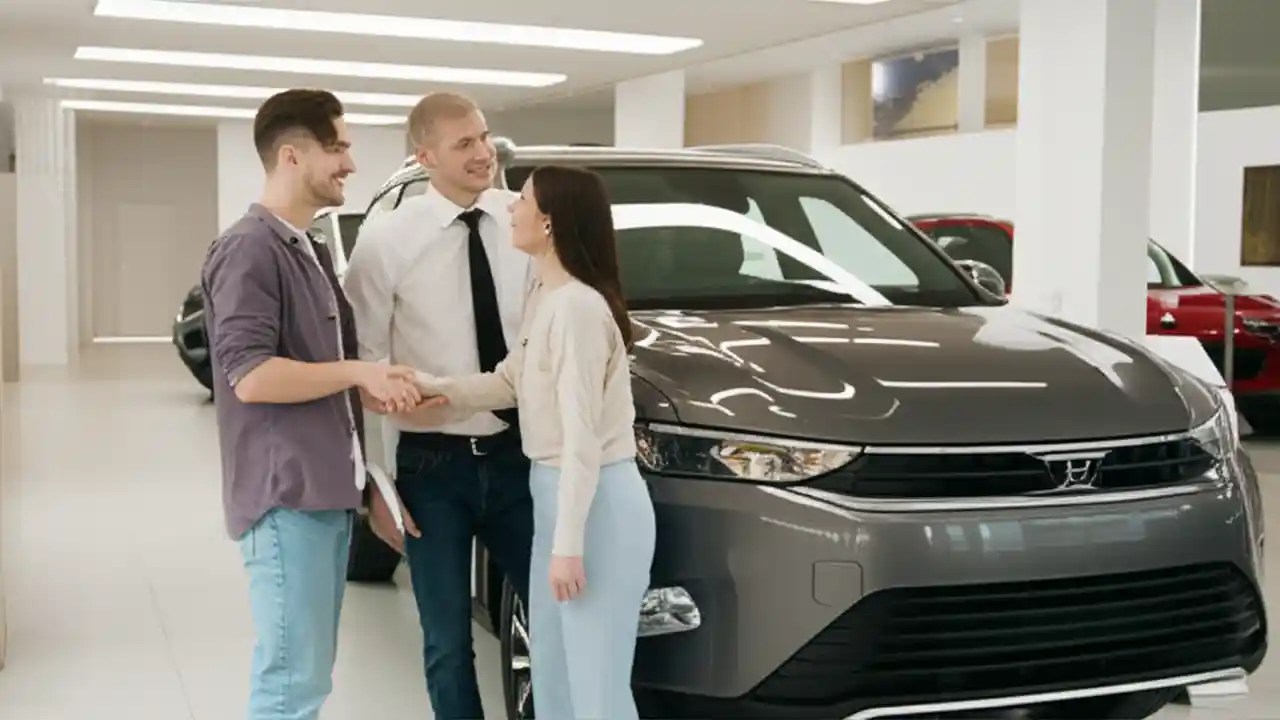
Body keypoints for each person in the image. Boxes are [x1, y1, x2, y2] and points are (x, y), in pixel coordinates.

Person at [201, 88, 427, 720]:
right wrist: (360, 371)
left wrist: (365, 482)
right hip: (284, 502)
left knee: (306, 678)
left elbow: (324, 391)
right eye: (339, 147)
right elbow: (250, 375)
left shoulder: (307, 247)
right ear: (293, 156)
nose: (350, 163)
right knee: (290, 685)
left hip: (323, 497)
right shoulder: (250, 248)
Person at [410, 164, 657, 720]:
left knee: (596, 685)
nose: (509, 209)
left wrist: (567, 545)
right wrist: (435, 390)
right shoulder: (548, 295)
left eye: (519, 200)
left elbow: (581, 440)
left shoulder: (577, 309)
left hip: (596, 508)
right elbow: (509, 381)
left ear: (549, 223)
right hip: (558, 499)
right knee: (555, 674)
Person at [342, 91, 535, 719]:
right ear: (424, 156)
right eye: (464, 144)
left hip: (522, 457)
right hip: (433, 468)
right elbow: (364, 368)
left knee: (557, 621)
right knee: (447, 641)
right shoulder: (386, 241)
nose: (484, 153)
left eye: (484, 137)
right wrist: (375, 485)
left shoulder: (523, 221)